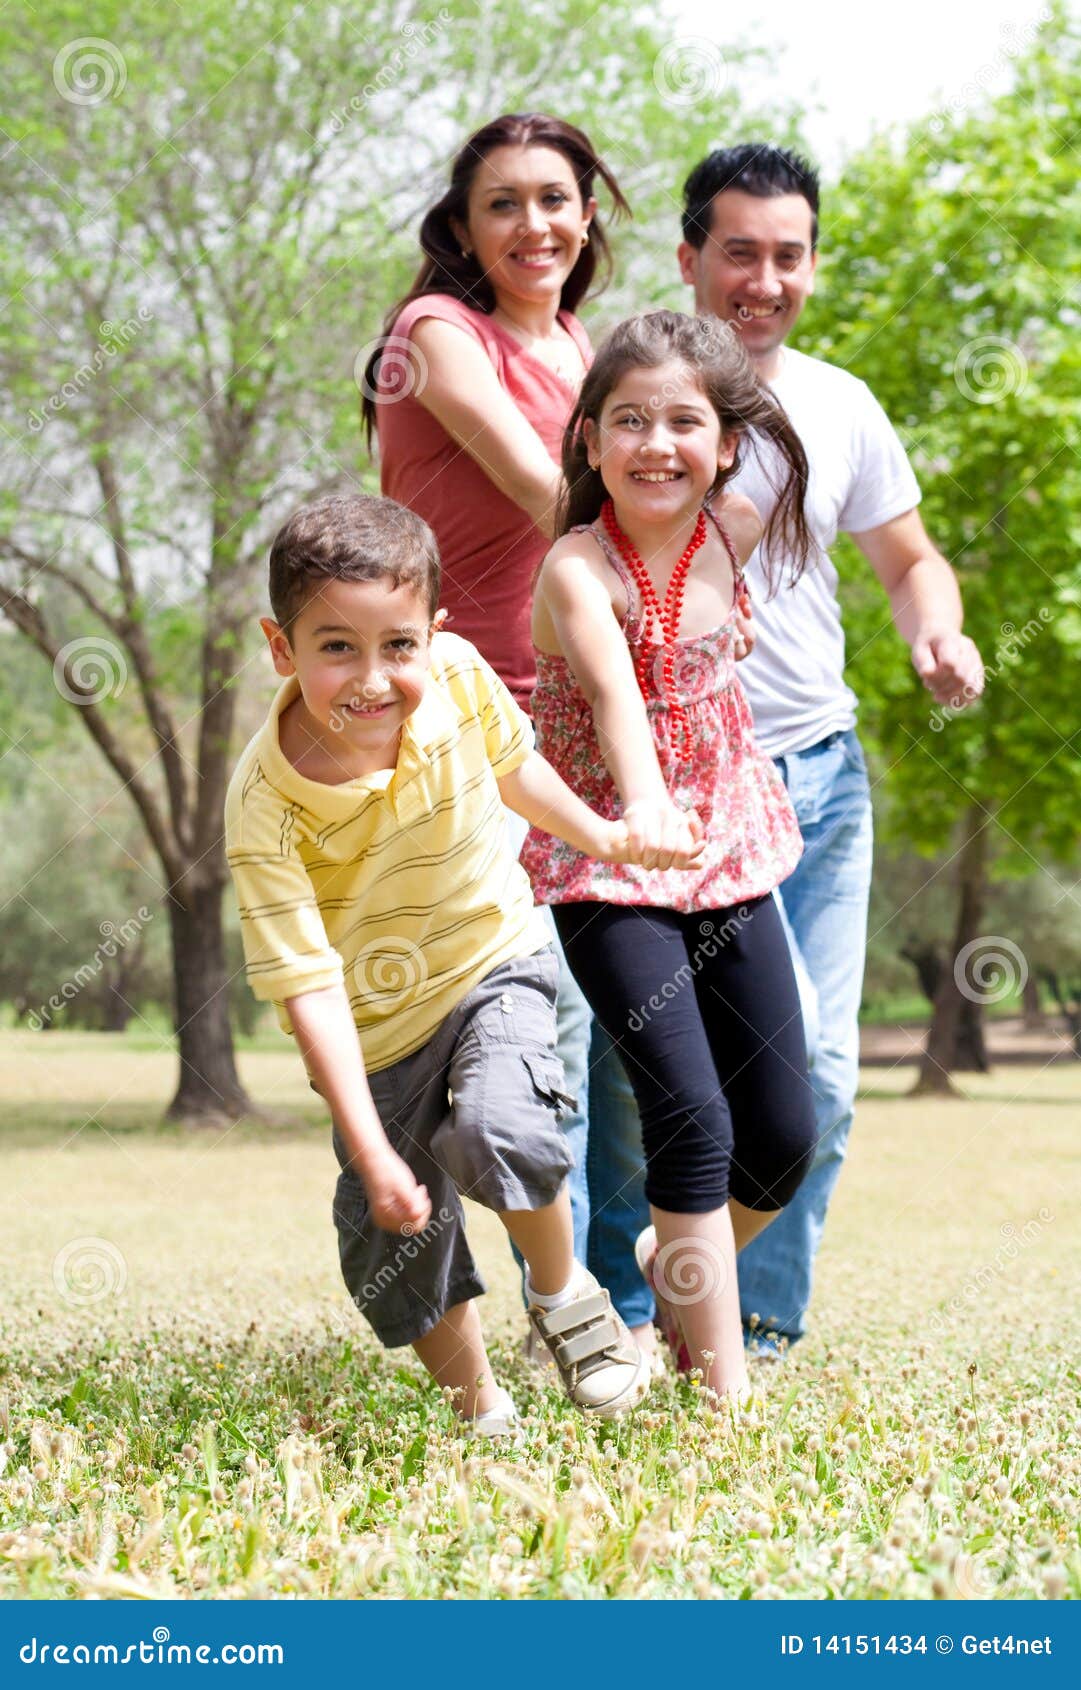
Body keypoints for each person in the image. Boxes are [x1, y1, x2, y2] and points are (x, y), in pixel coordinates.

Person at [587, 144, 985, 1357]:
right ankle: (616, 1318)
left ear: (810, 262)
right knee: (632, 1075)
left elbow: (909, 560)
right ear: (689, 258)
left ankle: (747, 1319)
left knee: (812, 1065)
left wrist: (940, 632)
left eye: (788, 254)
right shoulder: (626, 396)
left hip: (809, 774)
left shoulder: (840, 404)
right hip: (659, 789)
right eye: (739, 252)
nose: (764, 278)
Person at [224, 495, 697, 1430]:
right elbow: (307, 986)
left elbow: (512, 767)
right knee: (390, 1234)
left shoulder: (460, 676)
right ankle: (482, 1414)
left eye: (398, 646)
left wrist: (603, 833)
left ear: (433, 635)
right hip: (370, 1029)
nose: (373, 677)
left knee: (503, 1125)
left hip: (494, 958)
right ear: (281, 649)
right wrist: (369, 1149)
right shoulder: (264, 805)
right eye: (335, 648)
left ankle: (565, 1302)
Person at [520, 311, 818, 1399]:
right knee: (691, 1117)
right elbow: (611, 700)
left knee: (783, 1133)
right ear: (589, 441)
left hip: (729, 854)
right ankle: (719, 1400)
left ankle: (670, 1256)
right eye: (629, 421)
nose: (657, 443)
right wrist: (641, 803)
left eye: (684, 421)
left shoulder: (734, 530)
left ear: (726, 441)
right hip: (610, 860)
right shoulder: (574, 566)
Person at [359, 113, 631, 1265]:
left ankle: (608, 1293)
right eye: (504, 203)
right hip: (454, 723)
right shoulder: (433, 330)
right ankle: (503, 1297)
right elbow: (542, 484)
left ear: (587, 213)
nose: (536, 224)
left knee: (607, 1018)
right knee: (507, 1011)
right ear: (464, 227)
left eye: (556, 199)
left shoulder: (582, 343)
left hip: (570, 714)